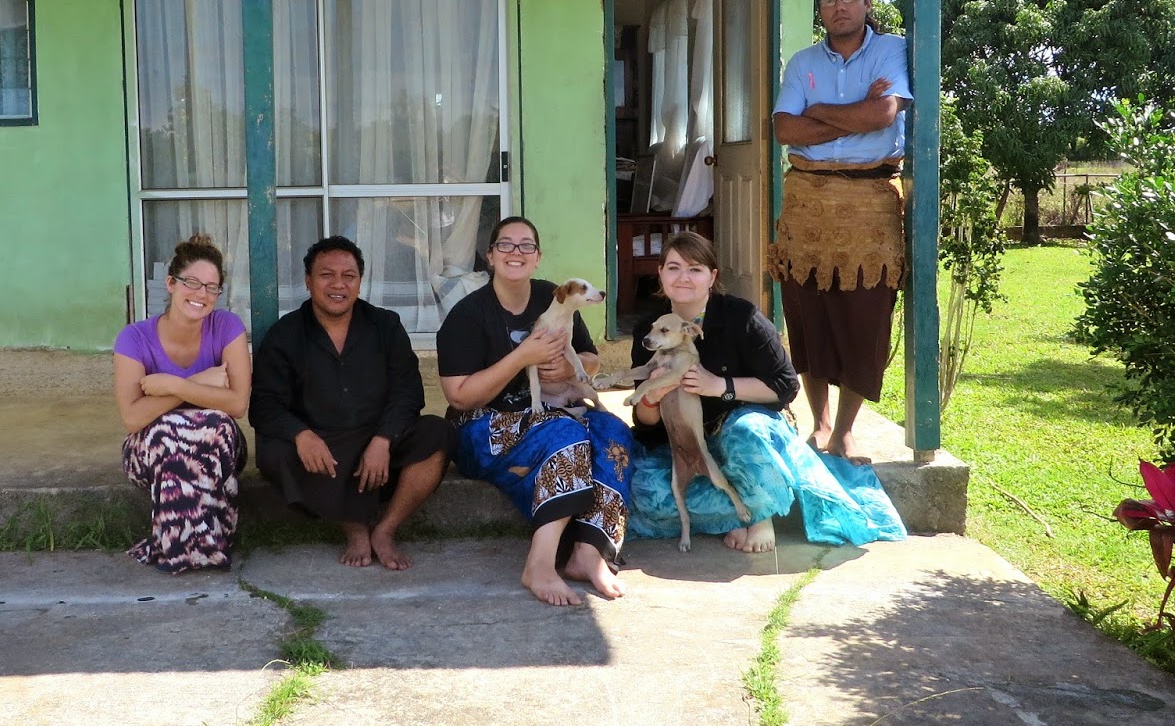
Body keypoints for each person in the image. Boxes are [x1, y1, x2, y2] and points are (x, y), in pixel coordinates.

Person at [624, 231, 905, 550]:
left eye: (695, 269)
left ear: (712, 277)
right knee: (646, 493)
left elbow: (785, 385)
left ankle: (760, 516)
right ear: (660, 273)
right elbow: (645, 421)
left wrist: (720, 386)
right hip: (687, 440)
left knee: (748, 432)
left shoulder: (741, 318)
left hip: (741, 430)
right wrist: (653, 394)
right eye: (674, 268)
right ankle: (738, 513)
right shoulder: (649, 329)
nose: (683, 277)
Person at [436, 216, 634, 607]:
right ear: (490, 256)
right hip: (483, 427)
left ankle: (588, 551)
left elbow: (590, 358)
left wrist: (569, 370)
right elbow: (459, 397)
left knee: (614, 430)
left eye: (526, 245)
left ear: (538, 256)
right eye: (505, 244)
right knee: (564, 433)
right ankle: (540, 564)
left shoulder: (553, 296)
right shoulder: (468, 314)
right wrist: (522, 356)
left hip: (553, 411)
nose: (516, 252)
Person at [770, 0, 911, 466]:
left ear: (867, 3)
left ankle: (846, 430)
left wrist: (820, 111)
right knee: (808, 312)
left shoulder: (892, 50)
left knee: (864, 315)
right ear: (820, 10)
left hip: (870, 203)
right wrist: (855, 111)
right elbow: (785, 130)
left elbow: (883, 115)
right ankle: (821, 423)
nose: (839, 6)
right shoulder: (803, 61)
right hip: (807, 202)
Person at [251, 236, 453, 571]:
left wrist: (384, 439)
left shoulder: (385, 325)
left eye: (349, 276)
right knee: (274, 454)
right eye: (326, 275)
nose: (338, 285)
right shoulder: (285, 335)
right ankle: (355, 529)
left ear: (360, 282)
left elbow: (408, 393)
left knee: (438, 432)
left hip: (378, 443)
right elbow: (263, 404)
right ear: (308, 281)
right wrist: (301, 435)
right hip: (322, 447)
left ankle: (385, 530)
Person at [114, 233, 251, 573]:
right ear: (171, 283)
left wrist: (172, 386)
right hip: (151, 453)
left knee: (213, 426)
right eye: (192, 282)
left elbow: (237, 405)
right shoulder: (134, 338)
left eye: (211, 287)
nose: (201, 294)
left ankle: (184, 547)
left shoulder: (228, 327)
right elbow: (133, 418)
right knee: (168, 433)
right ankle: (200, 546)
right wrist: (198, 383)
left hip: (218, 447)